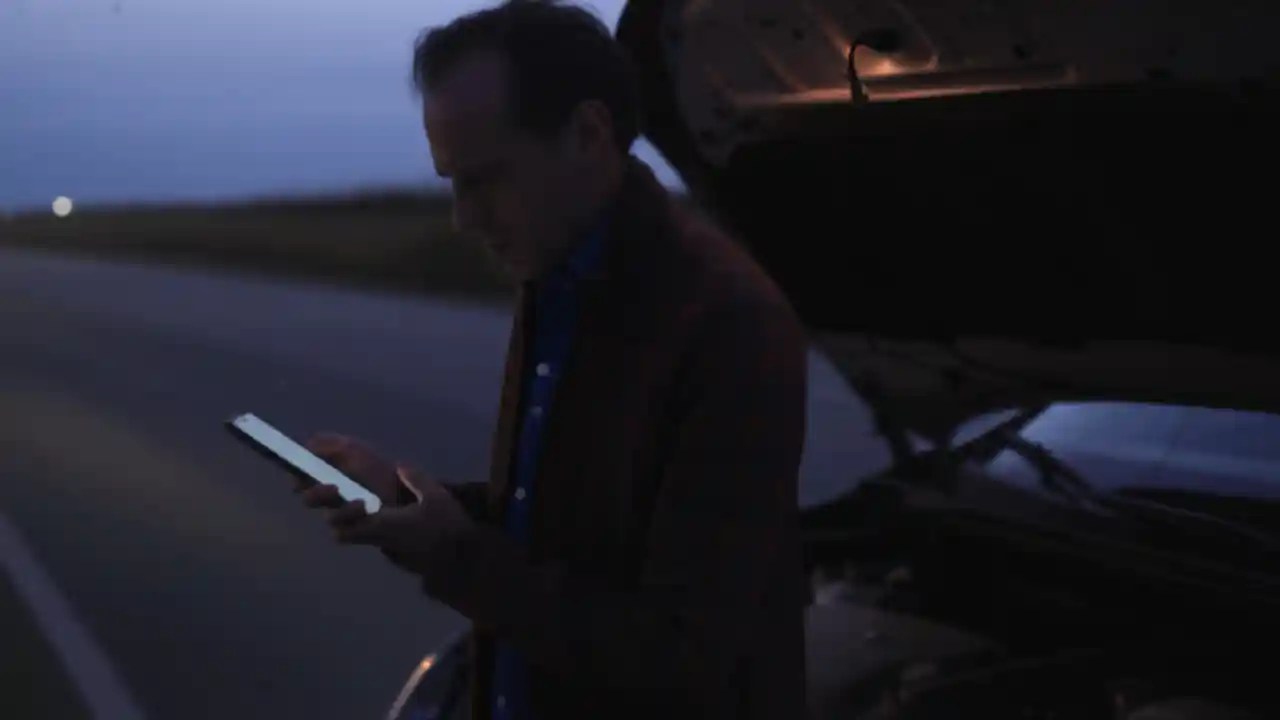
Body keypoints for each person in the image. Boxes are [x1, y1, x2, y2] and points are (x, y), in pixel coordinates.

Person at [297, 2, 810, 718]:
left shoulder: (726, 323)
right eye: (451, 182)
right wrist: (411, 499)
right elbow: (567, 527)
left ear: (588, 135)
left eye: (485, 180)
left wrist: (451, 551)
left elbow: (674, 658)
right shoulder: (562, 271)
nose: (463, 219)